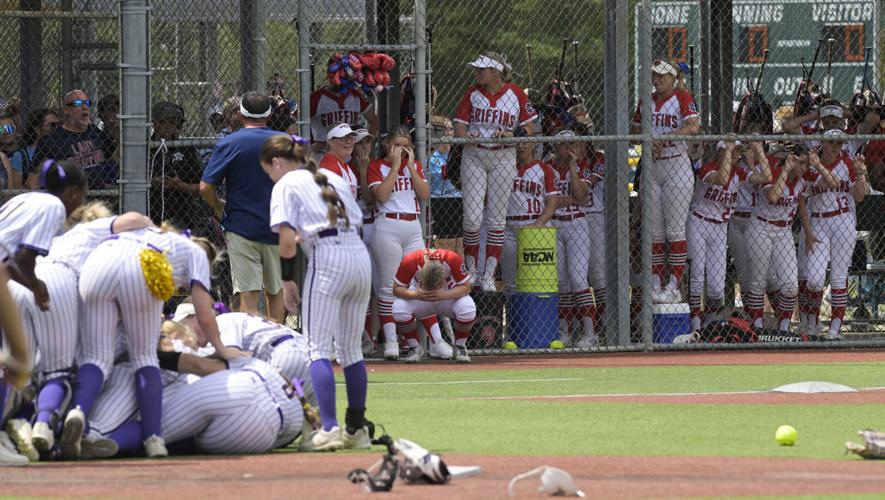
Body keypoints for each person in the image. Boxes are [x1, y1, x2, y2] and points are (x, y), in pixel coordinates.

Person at [65, 225, 244, 460]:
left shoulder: (147, 233)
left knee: (94, 359)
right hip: (134, 367)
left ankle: (71, 414)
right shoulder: (194, 254)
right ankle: (153, 439)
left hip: (98, 269)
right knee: (144, 359)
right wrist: (221, 349)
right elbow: (204, 313)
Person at [7, 202, 152, 455]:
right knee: (59, 372)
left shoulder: (62, 238)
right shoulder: (97, 234)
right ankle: (43, 424)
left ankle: (16, 426)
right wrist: (153, 229)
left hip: (22, 281)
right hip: (55, 283)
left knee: (21, 373)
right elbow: (133, 218)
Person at [262, 133, 372, 452]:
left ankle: (329, 428)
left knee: (317, 348)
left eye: (269, 170)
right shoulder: (331, 177)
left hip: (328, 258)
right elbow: (348, 220)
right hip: (358, 255)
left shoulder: (286, 184)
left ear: (278, 162)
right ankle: (356, 429)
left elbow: (285, 239)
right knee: (351, 350)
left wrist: (287, 282)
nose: (271, 175)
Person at [0, 160, 86, 464]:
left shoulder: (27, 197)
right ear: (74, 191)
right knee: (13, 361)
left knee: (9, 360)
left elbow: (11, 262)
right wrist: (36, 287)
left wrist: (33, 286)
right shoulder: (53, 207)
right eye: (82, 194)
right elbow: (24, 259)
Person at [453, 52, 537, 291]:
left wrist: (513, 134)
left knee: (496, 219)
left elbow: (530, 127)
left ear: (496, 71)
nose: (477, 73)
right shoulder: (473, 92)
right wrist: (464, 136)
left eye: (482, 69)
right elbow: (459, 123)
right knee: (472, 217)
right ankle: (471, 271)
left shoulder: (516, 93)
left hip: (504, 155)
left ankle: (488, 275)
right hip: (475, 154)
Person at [200, 91, 286, 322]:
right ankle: (277, 348)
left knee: (247, 297)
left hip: (241, 226)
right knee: (276, 292)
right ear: (269, 114)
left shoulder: (230, 142)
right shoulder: (283, 142)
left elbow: (206, 187)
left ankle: (250, 350)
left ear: (239, 114)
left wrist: (220, 210)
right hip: (277, 227)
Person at [744, 145, 837, 330]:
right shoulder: (772, 171)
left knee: (790, 286)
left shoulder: (804, 179)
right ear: (791, 159)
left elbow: (833, 183)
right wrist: (786, 169)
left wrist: (817, 164)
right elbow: (772, 196)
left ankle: (784, 327)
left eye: (806, 164)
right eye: (801, 163)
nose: (804, 168)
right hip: (761, 227)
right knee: (759, 282)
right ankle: (757, 325)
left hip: (783, 231)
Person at [630, 60, 700, 303]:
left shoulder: (681, 96)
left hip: (676, 164)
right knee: (655, 231)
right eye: (653, 75)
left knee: (675, 229)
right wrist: (647, 138)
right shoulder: (646, 101)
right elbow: (633, 129)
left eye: (661, 76)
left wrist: (667, 136)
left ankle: (674, 284)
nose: (656, 80)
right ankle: (657, 282)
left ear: (672, 77)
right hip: (652, 166)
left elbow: (693, 125)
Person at [687, 141, 770, 331]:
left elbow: (765, 177)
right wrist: (728, 152)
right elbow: (722, 179)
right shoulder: (707, 168)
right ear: (721, 153)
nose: (737, 154)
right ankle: (695, 324)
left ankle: (707, 323)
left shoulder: (739, 172)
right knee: (697, 278)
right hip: (699, 223)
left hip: (720, 228)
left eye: (738, 151)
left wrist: (753, 156)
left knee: (716, 288)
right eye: (733, 151)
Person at [367, 127, 435, 360]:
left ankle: (430, 342)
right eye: (397, 145)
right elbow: (382, 196)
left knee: (419, 283)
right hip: (388, 225)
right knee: (388, 287)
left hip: (412, 226)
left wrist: (411, 167)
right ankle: (392, 342)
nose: (401, 150)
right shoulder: (378, 166)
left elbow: (424, 193)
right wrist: (396, 167)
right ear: (387, 145)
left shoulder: (413, 166)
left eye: (406, 145)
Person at [800, 129, 869, 339]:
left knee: (839, 277)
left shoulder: (847, 163)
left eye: (839, 143)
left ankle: (835, 330)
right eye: (831, 142)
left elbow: (859, 196)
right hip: (819, 221)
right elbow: (814, 189)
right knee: (814, 279)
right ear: (823, 142)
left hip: (843, 220)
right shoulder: (811, 162)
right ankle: (813, 322)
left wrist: (859, 175)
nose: (835, 146)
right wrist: (809, 230)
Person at [548, 129, 597, 348]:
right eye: (563, 144)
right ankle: (564, 331)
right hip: (555, 225)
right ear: (555, 147)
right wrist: (570, 200)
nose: (568, 148)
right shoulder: (546, 167)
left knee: (578, 279)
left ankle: (590, 332)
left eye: (571, 144)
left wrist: (572, 168)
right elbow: (549, 202)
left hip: (577, 224)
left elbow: (581, 195)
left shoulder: (581, 165)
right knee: (562, 282)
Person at [501, 128, 559, 294]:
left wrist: (539, 223)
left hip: (535, 225)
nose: (521, 146)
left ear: (533, 144)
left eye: (525, 142)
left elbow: (552, 201)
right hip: (509, 226)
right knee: (510, 282)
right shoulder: (504, 168)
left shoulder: (544, 169)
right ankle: (514, 319)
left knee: (537, 281)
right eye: (517, 142)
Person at [392, 248, 476, 363]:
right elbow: (396, 289)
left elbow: (466, 287)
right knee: (399, 308)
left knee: (468, 307)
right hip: (421, 297)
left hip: (446, 296)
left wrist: (444, 295)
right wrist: (415, 294)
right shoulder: (411, 260)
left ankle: (460, 347)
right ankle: (414, 347)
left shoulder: (452, 258)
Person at [34, 90, 116, 190]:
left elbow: (114, 157)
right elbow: (34, 178)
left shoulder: (96, 132)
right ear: (65, 109)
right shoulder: (51, 140)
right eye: (78, 103)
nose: (84, 107)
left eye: (87, 103)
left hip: (100, 200)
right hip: (71, 200)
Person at [149, 101, 205, 229]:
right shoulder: (145, 148)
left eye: (172, 122)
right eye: (163, 121)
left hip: (180, 218)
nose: (168, 126)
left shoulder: (186, 150)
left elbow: (201, 189)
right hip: (149, 216)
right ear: (154, 123)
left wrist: (180, 185)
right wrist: (150, 182)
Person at [309, 83, 379, 163]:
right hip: (322, 157)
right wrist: (311, 146)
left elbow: (374, 121)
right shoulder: (316, 97)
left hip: (347, 158)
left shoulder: (355, 95)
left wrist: (366, 144)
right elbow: (297, 125)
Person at [19, 108, 60, 189]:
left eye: (59, 124)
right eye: (52, 125)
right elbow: (16, 189)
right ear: (37, 129)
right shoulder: (21, 155)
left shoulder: (61, 150)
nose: (57, 128)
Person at [427, 116, 461, 197]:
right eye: (445, 129)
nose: (449, 132)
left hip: (456, 197)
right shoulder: (429, 157)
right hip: (435, 198)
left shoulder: (457, 154)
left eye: (451, 129)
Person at [0, 112, 24, 190]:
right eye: (1, 129)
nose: (5, 132)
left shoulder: (24, 152)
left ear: (16, 130)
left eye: (8, 128)